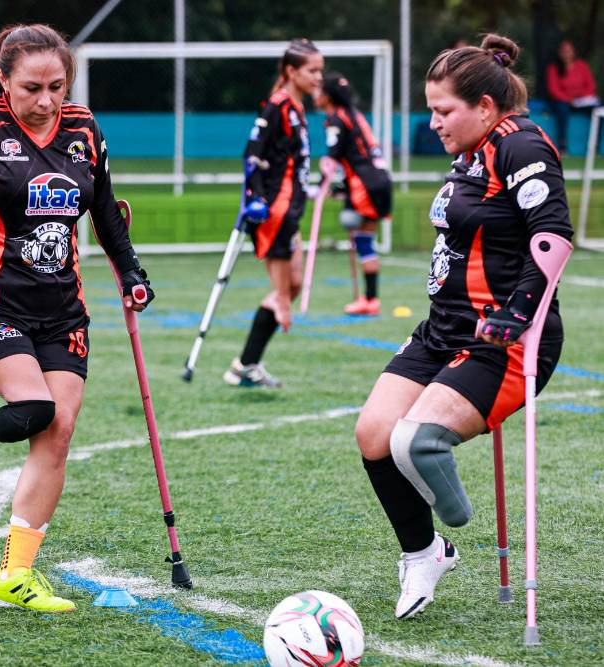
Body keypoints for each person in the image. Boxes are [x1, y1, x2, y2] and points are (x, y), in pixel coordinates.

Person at [0, 24, 154, 613]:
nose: (46, 100)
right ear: (4, 80)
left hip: (64, 310)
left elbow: (105, 209)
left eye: (57, 86)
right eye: (32, 87)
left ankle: (14, 575)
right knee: (37, 412)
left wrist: (131, 272)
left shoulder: (83, 129)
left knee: (57, 433)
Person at [355, 34, 572, 620]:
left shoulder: (521, 145)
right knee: (374, 433)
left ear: (484, 105)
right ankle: (426, 552)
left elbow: (551, 237)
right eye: (430, 109)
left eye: (443, 110)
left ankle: (452, 524)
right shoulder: (470, 152)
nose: (433, 122)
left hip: (506, 341)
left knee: (414, 441)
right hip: (442, 329)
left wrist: (517, 314)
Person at [224, 39, 323, 388]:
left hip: (292, 208)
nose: (317, 77)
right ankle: (246, 364)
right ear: (291, 72)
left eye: (320, 70)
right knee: (283, 295)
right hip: (276, 211)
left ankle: (246, 365)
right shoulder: (277, 105)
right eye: (312, 70)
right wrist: (259, 198)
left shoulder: (296, 107)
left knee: (293, 286)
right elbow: (252, 154)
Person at [317, 72, 392, 316]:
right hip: (379, 179)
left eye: (319, 91)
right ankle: (370, 299)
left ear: (328, 96)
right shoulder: (355, 116)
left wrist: (324, 185)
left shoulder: (336, 120)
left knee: (362, 240)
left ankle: (369, 300)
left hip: (365, 185)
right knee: (365, 240)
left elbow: (333, 156)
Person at [545, 39, 599, 153]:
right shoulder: (553, 68)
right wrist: (569, 100)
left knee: (598, 109)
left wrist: (580, 97)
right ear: (559, 53)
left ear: (574, 52)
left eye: (569, 51)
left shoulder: (582, 66)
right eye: (564, 51)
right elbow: (553, 89)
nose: (566, 53)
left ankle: (595, 144)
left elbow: (591, 86)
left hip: (582, 101)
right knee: (562, 109)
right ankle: (562, 145)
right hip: (563, 101)